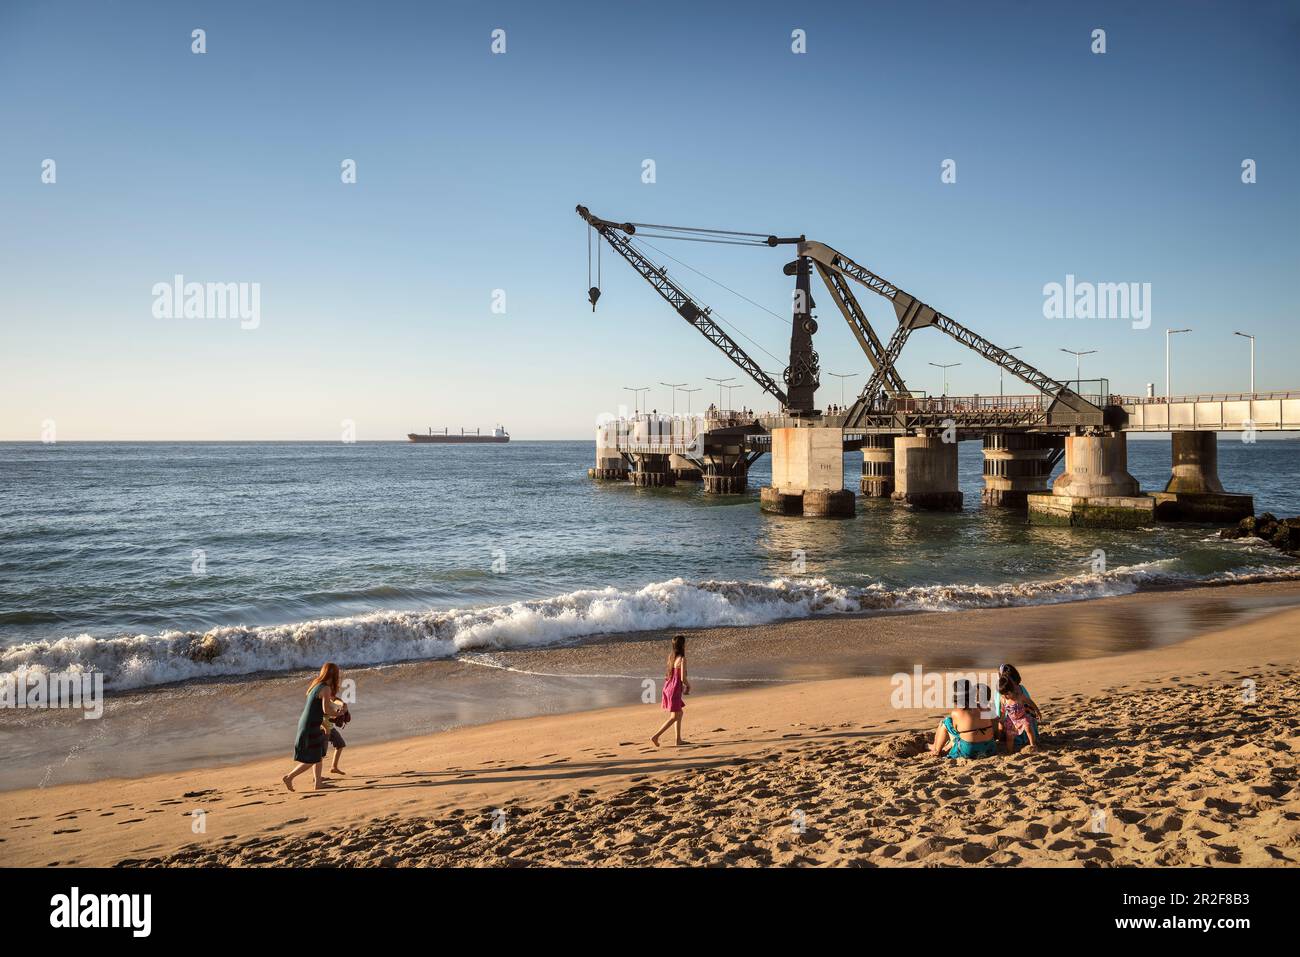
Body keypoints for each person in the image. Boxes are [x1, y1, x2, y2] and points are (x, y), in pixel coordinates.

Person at [282, 662, 346, 791]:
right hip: (311, 724)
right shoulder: (326, 688)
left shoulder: (316, 685)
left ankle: (318, 783)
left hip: (308, 722)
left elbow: (316, 709)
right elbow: (326, 710)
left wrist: (325, 722)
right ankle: (289, 777)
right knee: (312, 758)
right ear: (334, 674)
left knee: (317, 754)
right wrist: (340, 713)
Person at [928, 679, 997, 759]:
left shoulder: (957, 712)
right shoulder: (985, 708)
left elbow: (957, 730)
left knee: (946, 722)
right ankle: (936, 747)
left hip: (969, 751)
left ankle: (936, 751)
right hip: (990, 749)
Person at [650, 634, 690, 747]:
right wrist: (689, 686)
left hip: (668, 687)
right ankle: (655, 736)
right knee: (674, 717)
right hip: (674, 689)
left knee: (679, 713)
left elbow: (671, 675)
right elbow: (682, 678)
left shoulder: (671, 657)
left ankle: (678, 740)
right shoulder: (682, 659)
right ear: (682, 645)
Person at [992, 663, 1041, 752]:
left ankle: (1002, 741)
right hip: (1025, 720)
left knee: (1001, 725)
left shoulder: (1001, 693)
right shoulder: (1021, 688)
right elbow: (1030, 706)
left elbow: (999, 713)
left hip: (1018, 721)